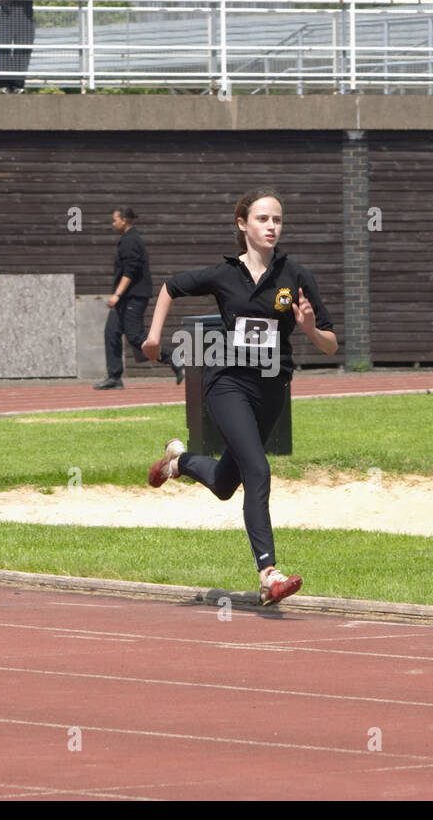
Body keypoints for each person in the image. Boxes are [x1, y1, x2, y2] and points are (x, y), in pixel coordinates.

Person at [140, 190, 338, 606]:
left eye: (277, 220)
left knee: (226, 483)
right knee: (258, 470)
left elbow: (331, 346)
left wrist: (309, 329)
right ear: (242, 224)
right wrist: (154, 337)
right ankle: (269, 575)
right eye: (263, 219)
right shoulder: (224, 274)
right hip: (227, 383)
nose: (271, 226)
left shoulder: (295, 276)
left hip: (271, 390)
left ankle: (178, 462)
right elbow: (169, 287)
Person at [94, 207, 184, 390]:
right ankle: (114, 377)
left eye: (115, 220)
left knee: (136, 337)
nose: (113, 224)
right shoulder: (127, 240)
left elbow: (130, 272)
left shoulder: (130, 241)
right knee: (111, 332)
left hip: (133, 298)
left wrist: (117, 294)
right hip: (125, 300)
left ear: (124, 220)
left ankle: (175, 360)